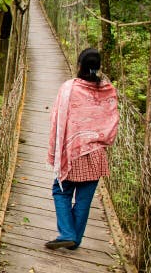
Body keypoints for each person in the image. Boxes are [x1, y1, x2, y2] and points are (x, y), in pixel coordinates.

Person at [45, 48, 119, 250]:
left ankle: (67, 233)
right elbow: (112, 122)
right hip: (96, 155)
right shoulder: (108, 90)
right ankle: (74, 240)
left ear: (79, 65)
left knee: (61, 191)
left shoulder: (69, 88)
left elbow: (57, 119)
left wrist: (55, 150)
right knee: (84, 200)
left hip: (72, 153)